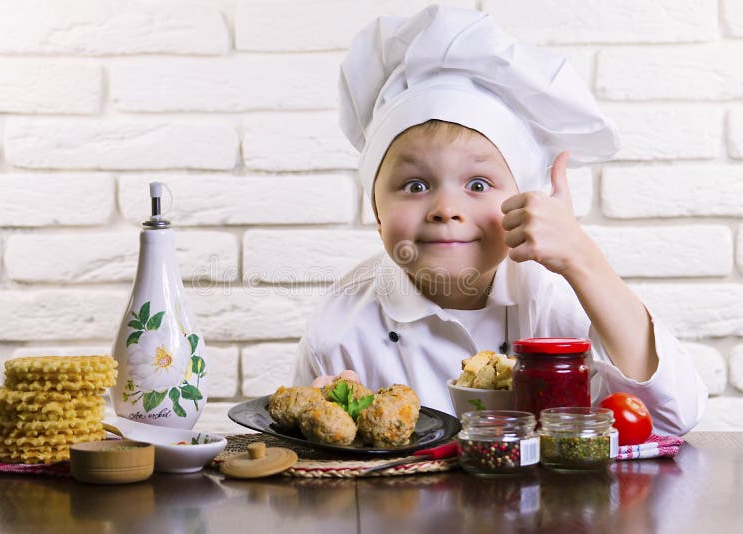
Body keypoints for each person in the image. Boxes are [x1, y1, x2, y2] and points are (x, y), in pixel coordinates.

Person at [290, 5, 707, 436]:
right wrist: (319, 426)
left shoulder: (553, 294)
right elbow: (309, 466)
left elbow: (673, 418)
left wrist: (583, 257)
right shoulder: (339, 328)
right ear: (376, 213)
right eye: (415, 186)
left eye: (477, 184)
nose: (445, 208)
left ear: (526, 202)